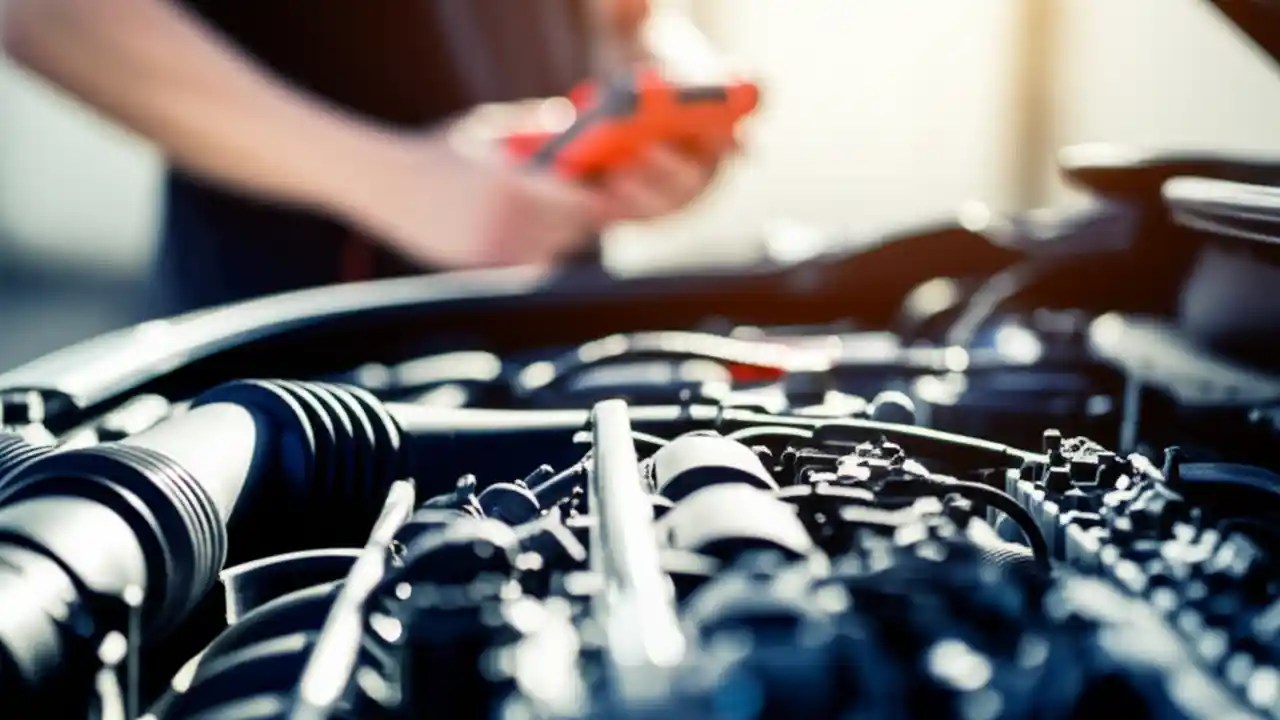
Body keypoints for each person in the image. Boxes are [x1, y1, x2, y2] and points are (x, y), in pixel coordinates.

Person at [1, 0, 727, 313]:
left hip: (562, 320)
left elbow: (627, 14)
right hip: (296, 363)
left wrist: (653, 68)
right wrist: (392, 180)